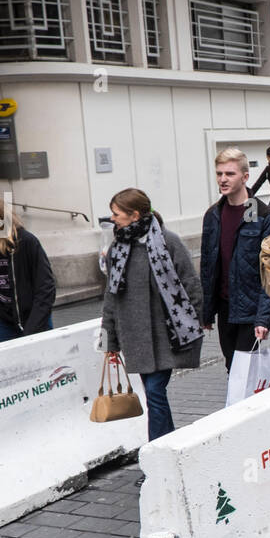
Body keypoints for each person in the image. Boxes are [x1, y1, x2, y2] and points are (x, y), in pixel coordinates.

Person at [101, 188, 205, 444]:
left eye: (116, 213)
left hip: (169, 335)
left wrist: (195, 322)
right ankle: (170, 446)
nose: (112, 218)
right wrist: (108, 341)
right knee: (153, 395)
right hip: (134, 337)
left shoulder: (168, 241)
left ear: (134, 215)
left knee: (155, 392)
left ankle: (156, 453)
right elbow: (111, 297)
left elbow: (191, 283)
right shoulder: (118, 248)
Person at [200, 147, 270, 373]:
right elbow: (207, 266)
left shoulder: (262, 216)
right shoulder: (213, 215)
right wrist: (206, 311)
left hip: (250, 310)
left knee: (244, 372)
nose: (223, 179)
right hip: (225, 308)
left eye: (230, 174)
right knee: (232, 368)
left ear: (245, 177)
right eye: (219, 173)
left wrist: (263, 319)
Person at [0, 196, 55, 343]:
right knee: (3, 363)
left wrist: (33, 328)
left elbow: (46, 287)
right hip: (7, 322)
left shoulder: (27, 242)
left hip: (35, 320)